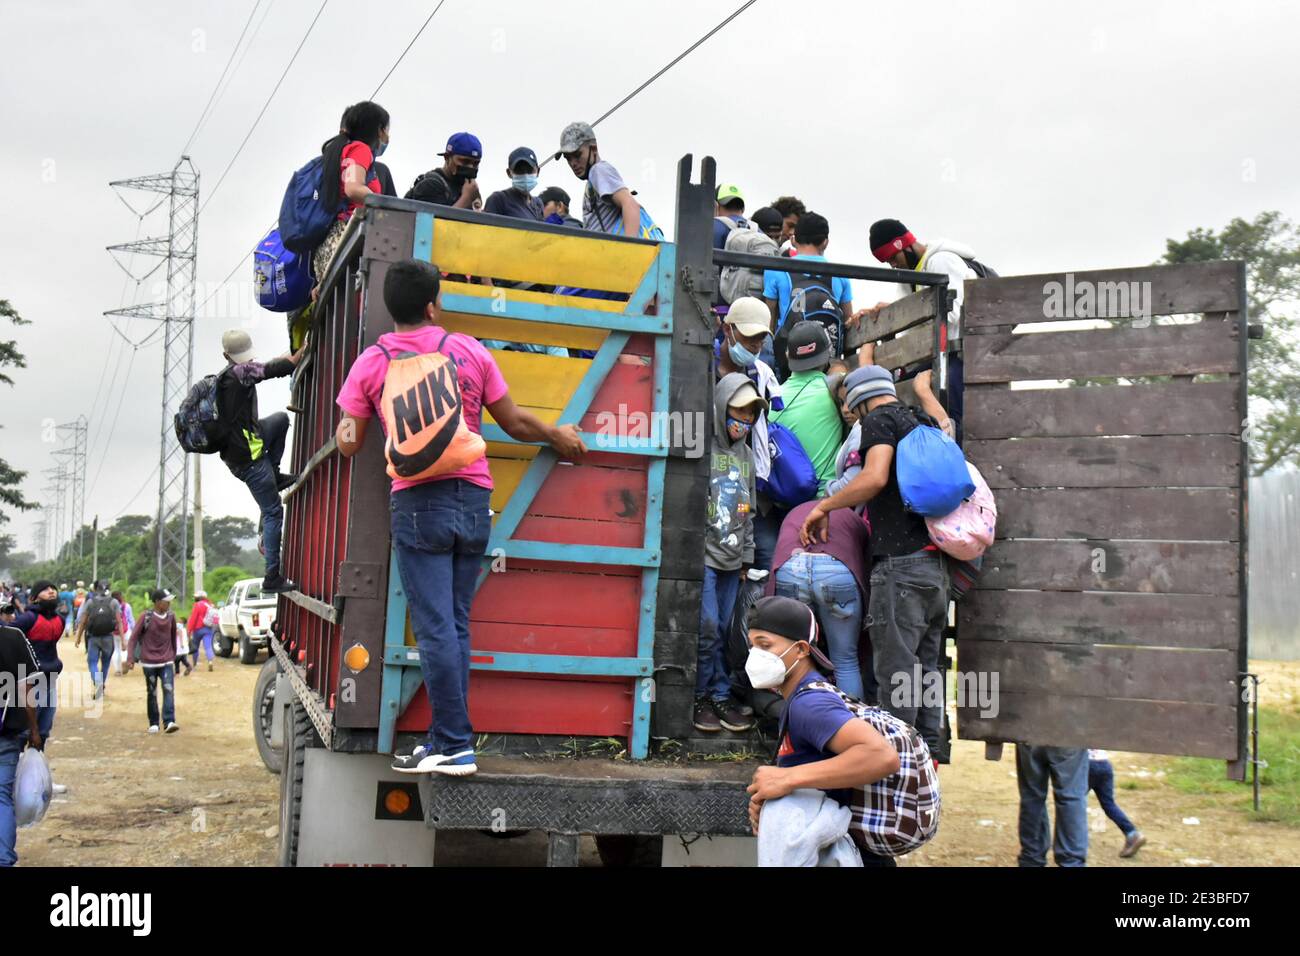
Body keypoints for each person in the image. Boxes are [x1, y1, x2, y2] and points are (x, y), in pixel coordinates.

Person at [335, 258, 586, 776]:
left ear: (392, 307)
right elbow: (513, 423)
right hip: (474, 502)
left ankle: (452, 743)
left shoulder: (372, 362)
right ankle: (447, 739)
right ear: (433, 305)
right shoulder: (467, 350)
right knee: (454, 624)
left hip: (417, 505)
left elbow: (350, 441)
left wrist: (348, 428)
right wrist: (556, 434)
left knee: (434, 630)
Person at [798, 365, 948, 755]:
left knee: (896, 674)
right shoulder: (921, 420)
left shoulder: (879, 421)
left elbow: (875, 477)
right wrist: (923, 389)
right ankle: (926, 760)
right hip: (936, 568)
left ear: (861, 400)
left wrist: (824, 507)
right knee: (926, 672)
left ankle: (893, 766)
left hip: (900, 568)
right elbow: (949, 429)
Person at [744, 596, 903, 867]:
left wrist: (786, 778)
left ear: (802, 649)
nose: (756, 656)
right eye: (752, 646)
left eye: (765, 645)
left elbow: (882, 757)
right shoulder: (799, 697)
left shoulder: (810, 704)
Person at [867, 219, 989, 434]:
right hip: (940, 354)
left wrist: (918, 314)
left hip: (966, 351)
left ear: (904, 245)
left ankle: (957, 453)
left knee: (952, 408)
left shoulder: (940, 262)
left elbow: (957, 313)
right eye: (888, 263)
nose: (893, 265)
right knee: (901, 388)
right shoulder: (911, 276)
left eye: (894, 258)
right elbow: (909, 326)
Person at [695, 373, 765, 733]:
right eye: (739, 412)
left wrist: (746, 558)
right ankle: (700, 696)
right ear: (722, 408)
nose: (745, 421)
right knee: (706, 627)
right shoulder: (703, 449)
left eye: (751, 414)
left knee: (724, 630)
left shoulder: (748, 457)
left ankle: (721, 696)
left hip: (732, 560)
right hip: (705, 556)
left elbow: (749, 511)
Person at [217, 328, 307, 593]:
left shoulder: (228, 376)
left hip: (246, 445)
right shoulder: (239, 374)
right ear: (229, 356)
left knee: (280, 420)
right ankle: (272, 577)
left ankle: (275, 473)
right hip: (249, 459)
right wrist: (299, 354)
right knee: (272, 512)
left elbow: (266, 366)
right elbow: (277, 368)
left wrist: (289, 358)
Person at [767, 501, 870, 701]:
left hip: (791, 567)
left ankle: (797, 724)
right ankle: (851, 725)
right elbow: (864, 569)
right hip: (836, 572)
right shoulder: (853, 519)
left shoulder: (796, 511)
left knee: (795, 658)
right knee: (845, 661)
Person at [715, 297, 784, 571]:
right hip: (713, 484)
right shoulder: (703, 365)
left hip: (749, 487)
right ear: (728, 329)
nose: (754, 346)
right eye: (748, 338)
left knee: (765, 560)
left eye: (759, 340)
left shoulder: (759, 374)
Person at [762, 212, 857, 373]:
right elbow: (849, 319)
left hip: (789, 360)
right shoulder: (841, 275)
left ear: (794, 240)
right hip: (826, 364)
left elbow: (768, 319)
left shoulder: (776, 270)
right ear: (825, 242)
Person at [311, 101, 390, 283]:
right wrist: (387, 205)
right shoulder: (360, 150)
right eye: (386, 129)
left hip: (330, 247)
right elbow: (353, 188)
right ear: (379, 130)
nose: (387, 136)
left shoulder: (342, 152)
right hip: (346, 241)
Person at [768, 322, 845, 494]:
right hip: (825, 499)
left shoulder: (772, 396)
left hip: (782, 499)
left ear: (788, 355)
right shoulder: (836, 390)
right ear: (827, 355)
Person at [557, 121, 662, 239]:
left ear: (594, 149)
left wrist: (630, 250)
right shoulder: (594, 179)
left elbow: (630, 204)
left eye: (577, 155)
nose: (573, 163)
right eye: (568, 158)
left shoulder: (598, 170)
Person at [0, 616, 43, 868]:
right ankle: (4, 858)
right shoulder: (13, 637)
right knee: (2, 796)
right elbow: (26, 689)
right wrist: (34, 729)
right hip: (6, 733)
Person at [1015, 744, 1089, 867]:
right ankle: (1071, 862)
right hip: (1069, 734)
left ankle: (1031, 859)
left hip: (1029, 733)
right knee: (1071, 797)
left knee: (1032, 797)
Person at [11, 580, 63, 743]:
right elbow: (9, 637)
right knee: (24, 731)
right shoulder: (28, 619)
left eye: (53, 588)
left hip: (50, 680)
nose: (51, 591)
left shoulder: (59, 620)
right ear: (34, 598)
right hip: (30, 682)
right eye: (45, 589)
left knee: (44, 731)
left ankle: (36, 762)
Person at [125, 589, 181, 734]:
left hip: (167, 661)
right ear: (157, 602)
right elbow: (133, 638)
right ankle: (154, 722)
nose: (169, 603)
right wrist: (130, 658)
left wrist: (173, 656)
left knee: (168, 690)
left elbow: (173, 637)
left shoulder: (171, 617)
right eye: (166, 601)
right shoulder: (145, 617)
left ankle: (169, 721)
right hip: (149, 662)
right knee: (152, 692)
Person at [1088, 749, 1146, 858]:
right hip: (1104, 763)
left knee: (1074, 802)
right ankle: (1132, 833)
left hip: (1087, 764)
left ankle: (1077, 839)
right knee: (1109, 804)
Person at [406, 132, 483, 209]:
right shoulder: (431, 184)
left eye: (476, 163)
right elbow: (433, 220)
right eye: (464, 161)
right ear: (447, 158)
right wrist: (466, 199)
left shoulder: (468, 188)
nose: (470, 167)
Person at [73, 580, 120, 699]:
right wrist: (123, 640)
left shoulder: (90, 602)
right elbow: (119, 621)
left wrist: (78, 637)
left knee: (92, 662)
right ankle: (101, 684)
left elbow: (83, 621)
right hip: (108, 637)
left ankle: (98, 682)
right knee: (105, 663)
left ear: (96, 589)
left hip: (93, 637)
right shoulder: (114, 602)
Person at [483, 147, 544, 221]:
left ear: (538, 171)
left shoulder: (538, 204)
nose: (525, 174)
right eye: (519, 170)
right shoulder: (499, 200)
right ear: (509, 173)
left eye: (529, 170)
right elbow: (487, 230)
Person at [187, 590, 216, 672]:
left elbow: (193, 618)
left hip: (197, 629)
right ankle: (210, 661)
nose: (195, 598)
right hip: (208, 628)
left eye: (196, 597)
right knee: (208, 646)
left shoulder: (197, 605)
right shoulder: (210, 605)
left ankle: (195, 665)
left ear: (199, 597)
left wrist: (189, 629)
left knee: (195, 647)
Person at [112, 590, 134, 676]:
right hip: (125, 630)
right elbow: (130, 619)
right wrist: (134, 629)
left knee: (116, 649)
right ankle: (124, 661)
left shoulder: (110, 606)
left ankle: (117, 670)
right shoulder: (127, 606)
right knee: (125, 647)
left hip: (114, 631)